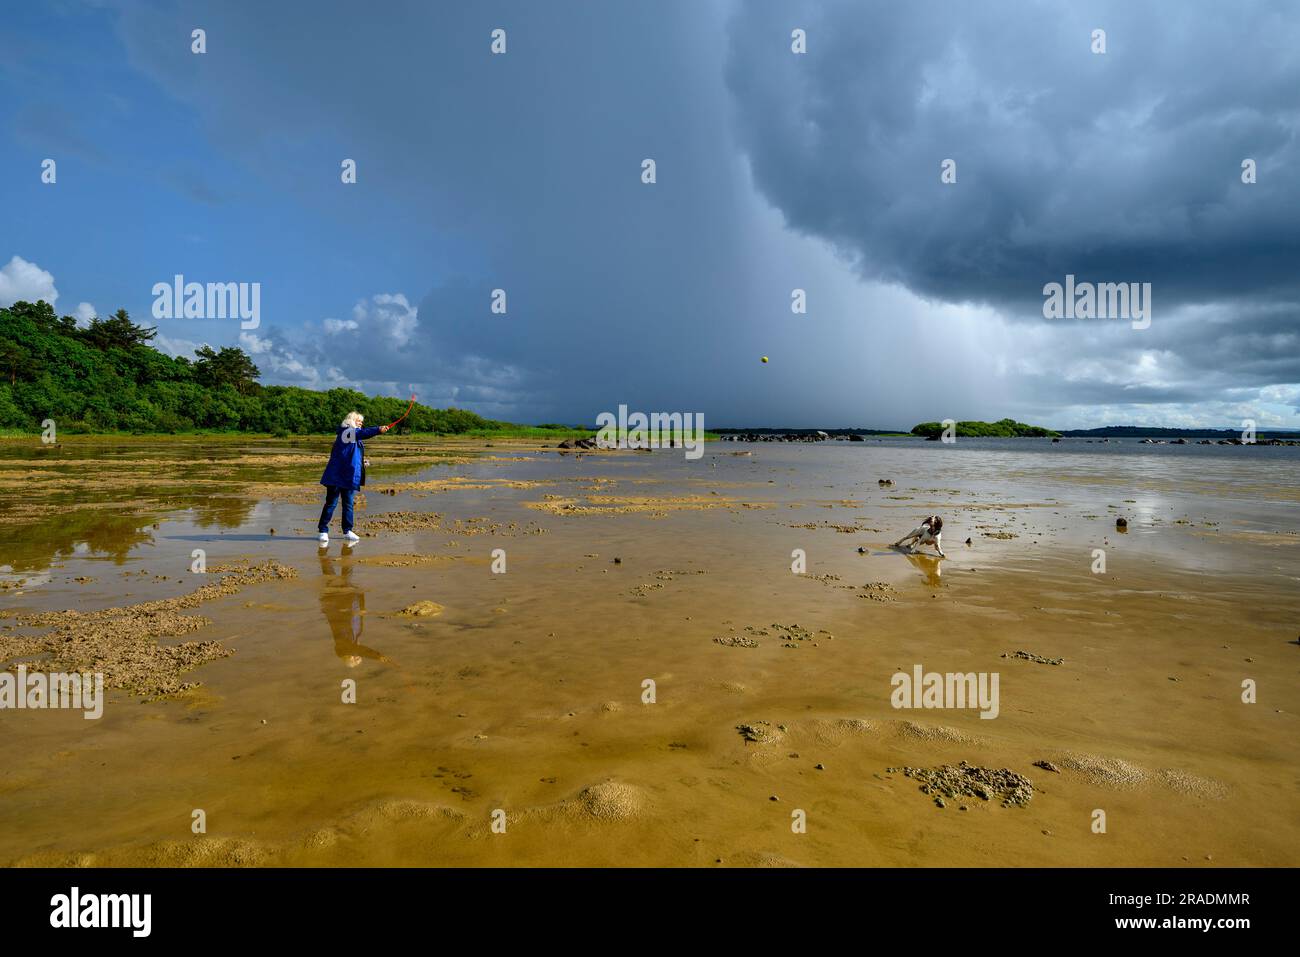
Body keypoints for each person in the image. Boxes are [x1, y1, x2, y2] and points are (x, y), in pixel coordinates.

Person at [318, 411, 389, 545]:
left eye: (362, 421)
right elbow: (362, 433)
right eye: (358, 421)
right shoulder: (346, 432)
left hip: (349, 476)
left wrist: (363, 463)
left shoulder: (353, 437)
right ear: (350, 421)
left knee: (348, 505)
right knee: (331, 503)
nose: (361, 423)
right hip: (336, 475)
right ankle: (323, 531)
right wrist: (378, 430)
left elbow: (351, 454)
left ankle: (347, 531)